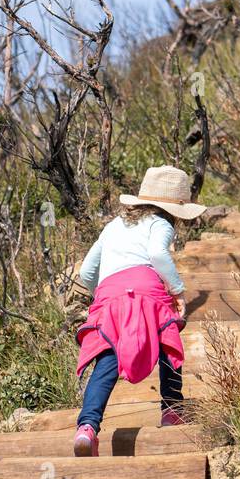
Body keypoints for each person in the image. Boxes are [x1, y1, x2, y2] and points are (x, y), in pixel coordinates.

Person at [72, 165, 207, 457]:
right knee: (167, 343)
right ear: (172, 207)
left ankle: (87, 428)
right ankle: (171, 411)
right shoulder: (161, 224)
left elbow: (86, 271)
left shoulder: (113, 226)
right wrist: (177, 289)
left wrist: (104, 295)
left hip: (108, 295)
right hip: (147, 291)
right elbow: (158, 255)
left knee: (106, 361)